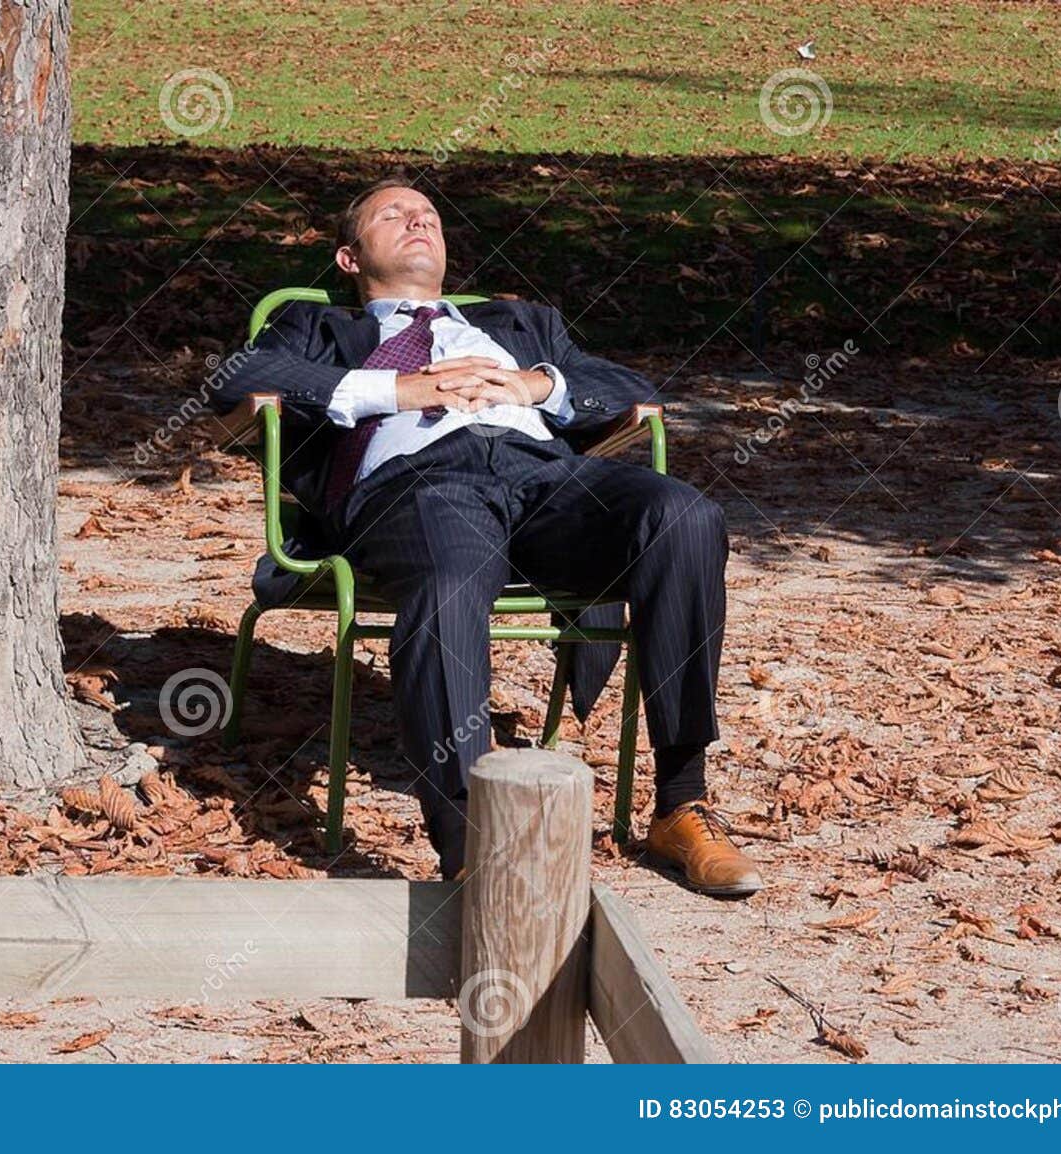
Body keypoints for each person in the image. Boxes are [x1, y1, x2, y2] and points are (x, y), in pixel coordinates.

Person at [214, 180, 761, 896]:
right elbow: (239, 378)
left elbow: (628, 387)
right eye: (393, 215)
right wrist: (399, 390)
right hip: (419, 484)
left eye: (431, 216)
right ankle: (472, 844)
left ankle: (681, 803)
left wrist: (535, 386)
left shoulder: (520, 325)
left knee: (684, 516)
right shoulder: (316, 329)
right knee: (448, 579)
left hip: (544, 482)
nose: (418, 221)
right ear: (349, 258)